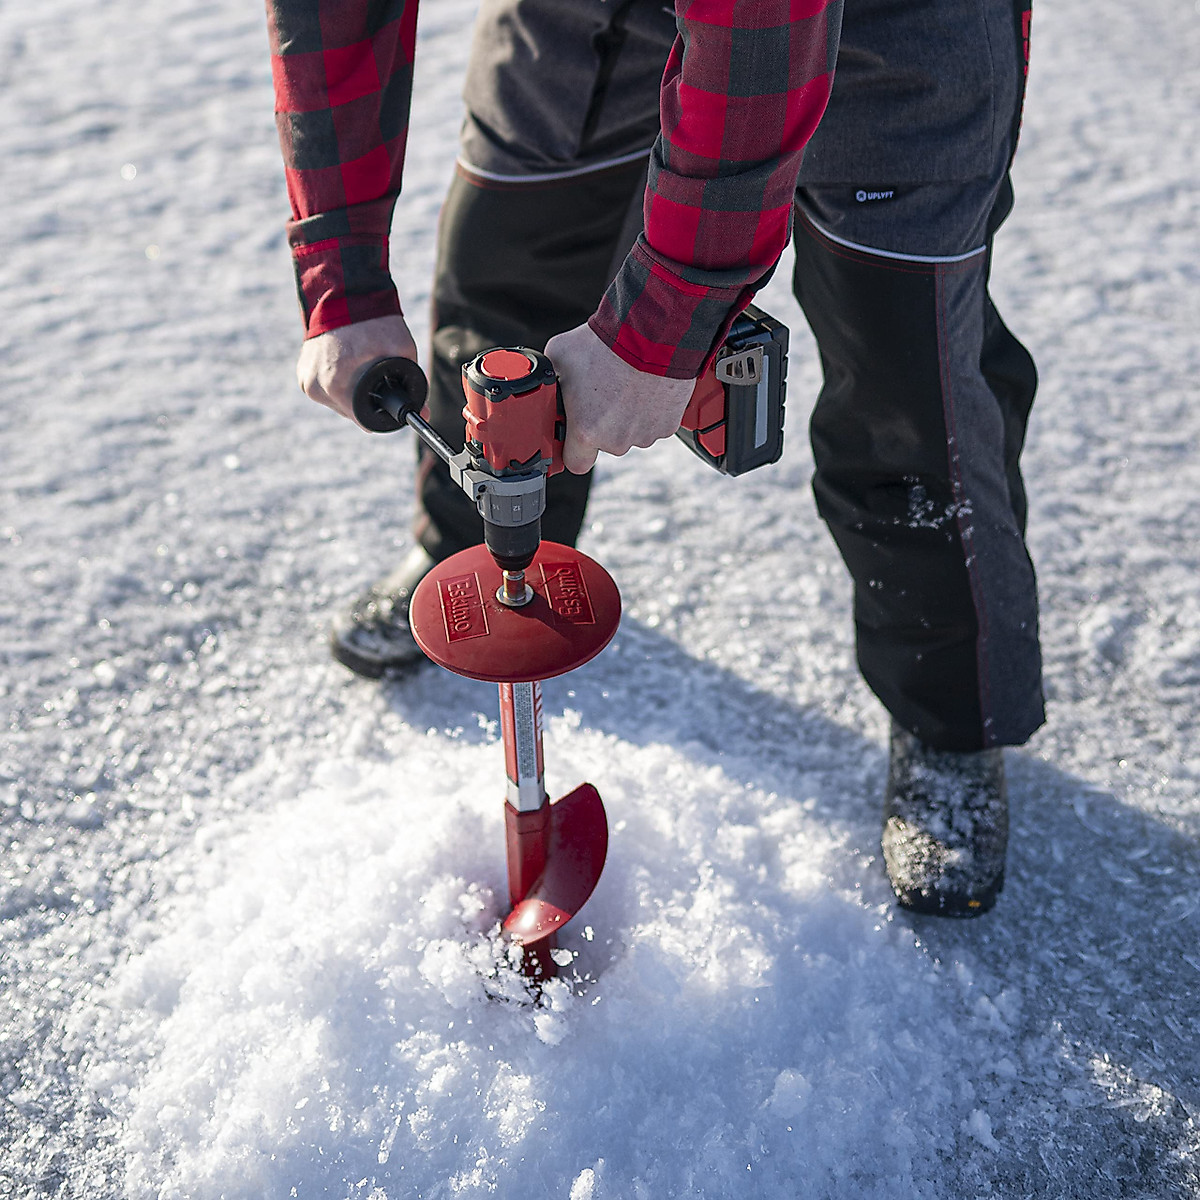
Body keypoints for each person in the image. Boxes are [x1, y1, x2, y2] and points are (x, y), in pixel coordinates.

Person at [266, 0, 1043, 917]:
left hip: (901, 23)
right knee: (509, 252)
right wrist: (340, 270)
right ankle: (470, 550)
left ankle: (948, 717)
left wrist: (663, 321)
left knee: (911, 378)